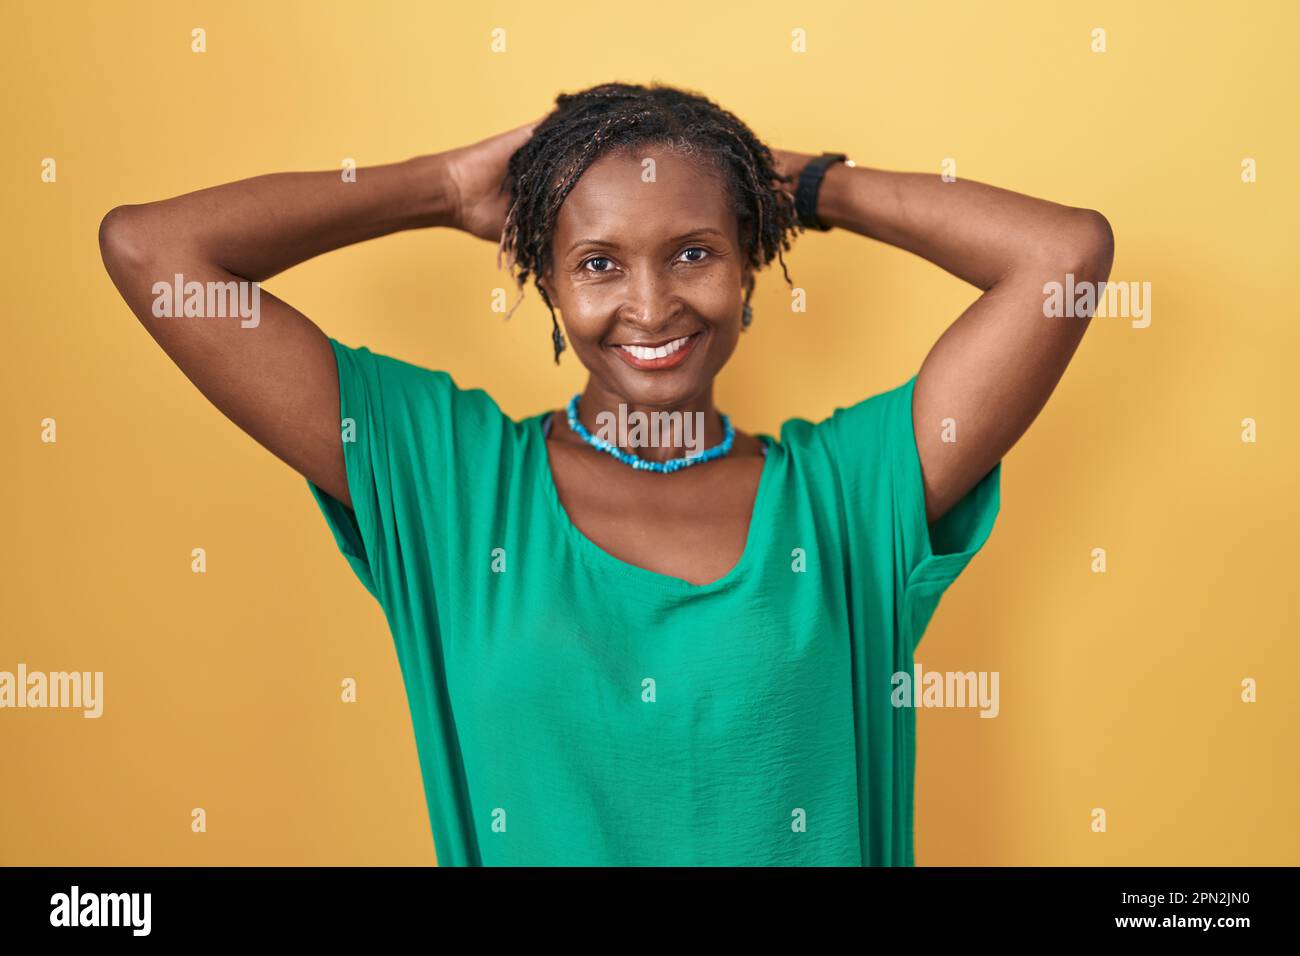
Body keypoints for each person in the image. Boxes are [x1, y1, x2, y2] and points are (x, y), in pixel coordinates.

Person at [98, 81, 1113, 866]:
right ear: (542, 277)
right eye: (597, 262)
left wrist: (800, 183)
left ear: (751, 262)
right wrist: (441, 186)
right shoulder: (451, 485)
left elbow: (1061, 254)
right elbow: (154, 249)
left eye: (695, 251)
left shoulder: (847, 497)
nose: (650, 302)